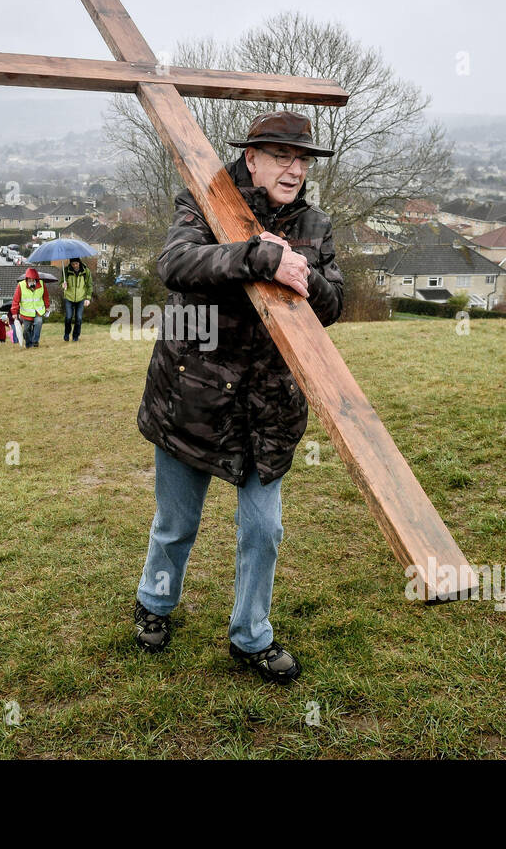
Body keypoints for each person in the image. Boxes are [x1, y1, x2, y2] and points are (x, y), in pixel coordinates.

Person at [132, 111, 343, 685]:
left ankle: (251, 636)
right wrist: (257, 255)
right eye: (282, 156)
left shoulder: (316, 224)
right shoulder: (202, 200)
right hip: (192, 395)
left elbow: (332, 306)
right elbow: (174, 265)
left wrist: (304, 274)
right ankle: (154, 606)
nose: (295, 169)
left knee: (263, 530)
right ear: (251, 157)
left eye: (302, 159)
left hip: (268, 405)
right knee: (176, 521)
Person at [12, 267, 50, 348]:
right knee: (26, 330)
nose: (31, 281)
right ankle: (28, 343)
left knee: (38, 323)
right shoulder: (21, 285)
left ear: (36, 279)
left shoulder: (42, 284)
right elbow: (16, 299)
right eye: (29, 279)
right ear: (26, 279)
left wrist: (47, 307)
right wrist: (14, 312)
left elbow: (45, 296)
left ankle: (35, 341)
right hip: (26, 313)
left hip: (38, 311)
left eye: (33, 279)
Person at [61, 257, 92, 342]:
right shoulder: (66, 271)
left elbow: (89, 285)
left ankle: (75, 336)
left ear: (79, 263)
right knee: (68, 317)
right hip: (69, 297)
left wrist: (88, 298)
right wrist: (63, 285)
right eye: (73, 264)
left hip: (81, 298)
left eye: (76, 264)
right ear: (70, 264)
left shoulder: (86, 271)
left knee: (78, 318)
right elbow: (61, 282)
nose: (75, 266)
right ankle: (67, 333)